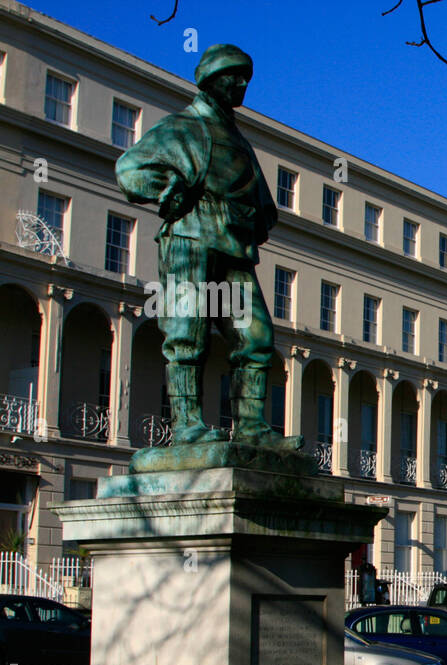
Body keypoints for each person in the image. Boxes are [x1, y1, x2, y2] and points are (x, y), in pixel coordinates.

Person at [116, 44, 298, 451]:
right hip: (190, 242)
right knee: (187, 331)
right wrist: (168, 192)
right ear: (211, 79)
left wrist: (251, 220)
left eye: (246, 77)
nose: (242, 84)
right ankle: (188, 426)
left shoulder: (237, 138)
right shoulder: (183, 126)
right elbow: (129, 170)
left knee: (256, 337)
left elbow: (264, 207)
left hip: (232, 248)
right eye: (234, 76)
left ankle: (251, 427)